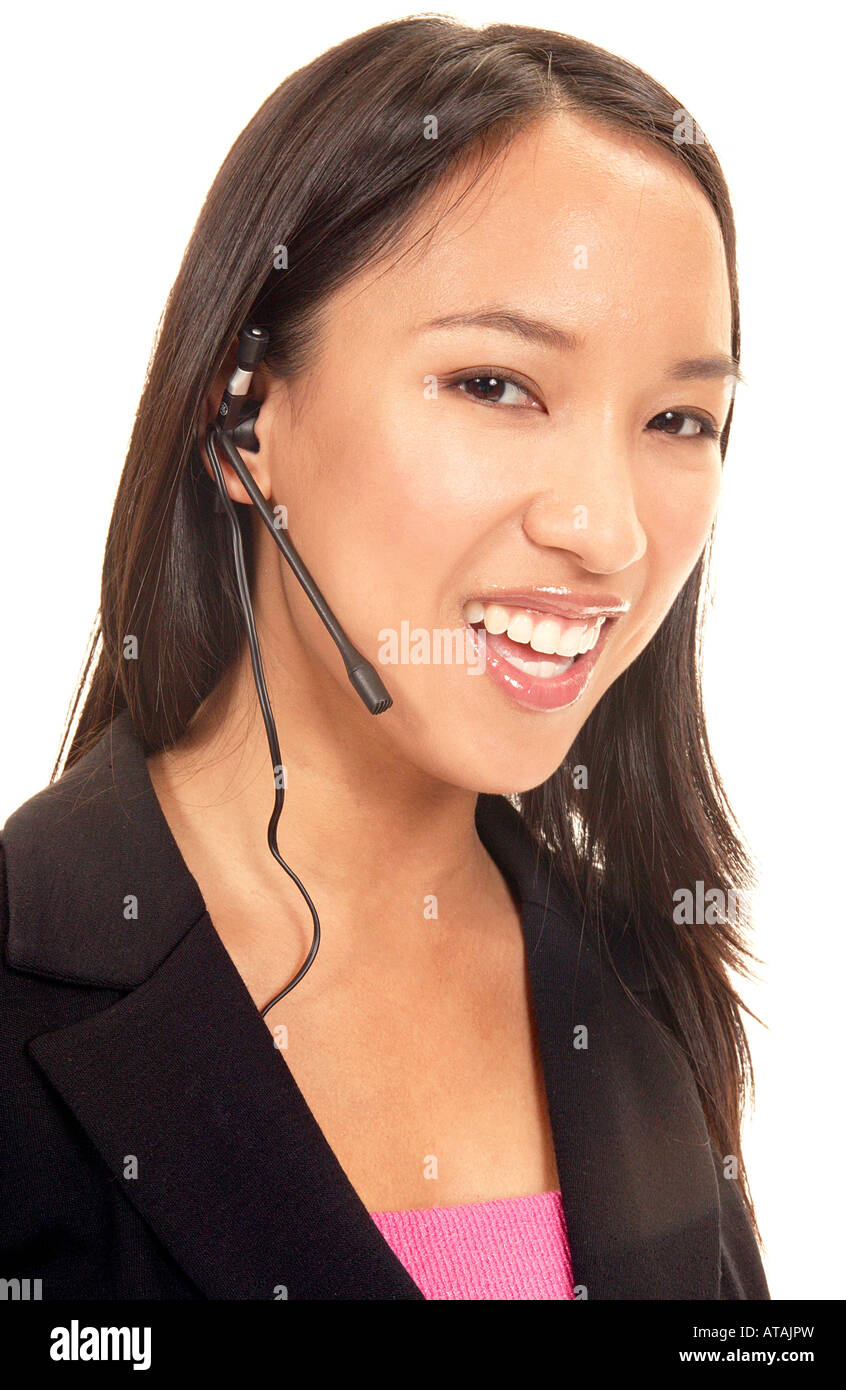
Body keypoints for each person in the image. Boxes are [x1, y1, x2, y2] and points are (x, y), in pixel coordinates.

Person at [0, 15, 769, 1300]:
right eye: (496, 384)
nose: (607, 529)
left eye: (679, 419)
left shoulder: (640, 971)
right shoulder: (30, 980)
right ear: (242, 420)